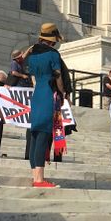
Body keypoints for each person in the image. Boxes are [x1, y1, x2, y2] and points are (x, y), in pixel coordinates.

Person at [25, 23, 67, 187]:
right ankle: (39, 179)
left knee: (35, 135)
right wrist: (62, 93)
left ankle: (35, 176)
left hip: (37, 94)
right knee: (43, 135)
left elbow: (32, 75)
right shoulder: (53, 54)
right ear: (52, 40)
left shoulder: (32, 55)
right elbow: (58, 76)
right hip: (48, 93)